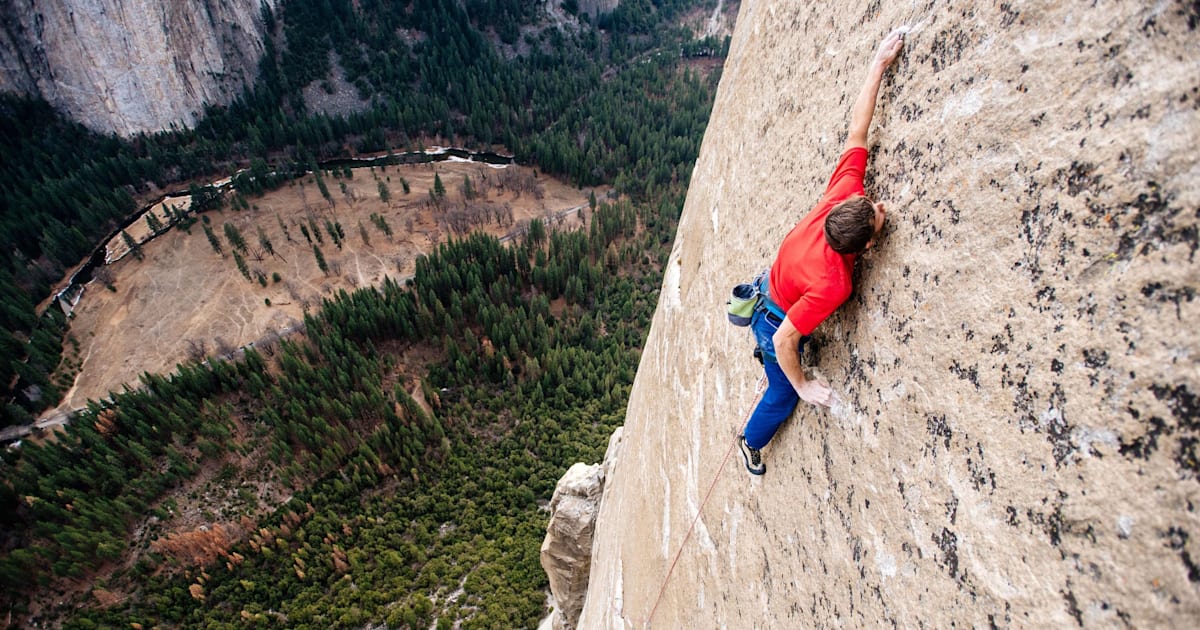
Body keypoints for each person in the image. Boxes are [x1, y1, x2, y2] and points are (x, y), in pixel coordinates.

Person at [739, 29, 905, 476]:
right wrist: (804, 384)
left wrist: (878, 66)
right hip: (773, 319)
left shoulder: (844, 194)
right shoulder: (835, 282)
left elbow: (858, 129)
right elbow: (784, 339)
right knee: (782, 394)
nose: (879, 205)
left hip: (775, 288)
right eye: (875, 213)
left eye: (871, 205)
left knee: (788, 343)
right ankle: (750, 442)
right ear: (865, 247)